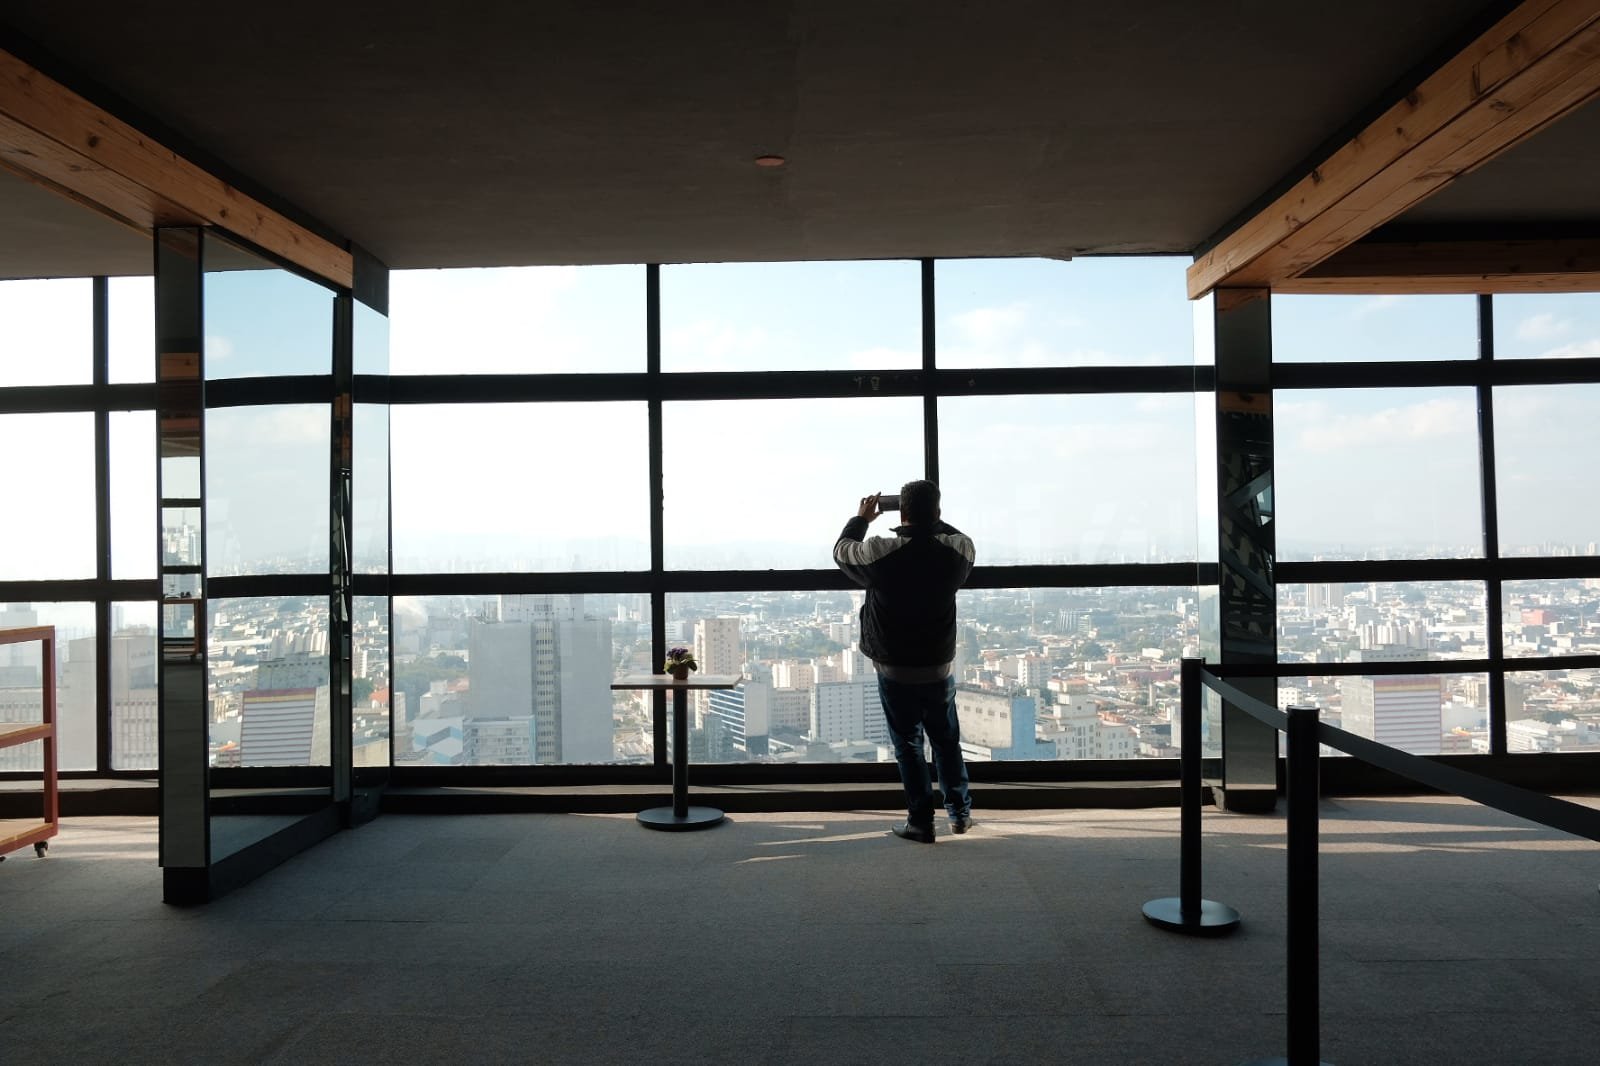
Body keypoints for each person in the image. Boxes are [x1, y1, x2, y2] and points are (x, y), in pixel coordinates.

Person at [833, 480, 975, 843]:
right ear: (938, 512)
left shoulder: (883, 552)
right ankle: (959, 815)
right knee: (946, 742)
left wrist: (862, 518)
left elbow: (842, 551)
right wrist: (931, 521)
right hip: (937, 664)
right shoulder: (956, 551)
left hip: (894, 666)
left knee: (908, 744)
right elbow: (960, 540)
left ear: (902, 512)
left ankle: (920, 821)